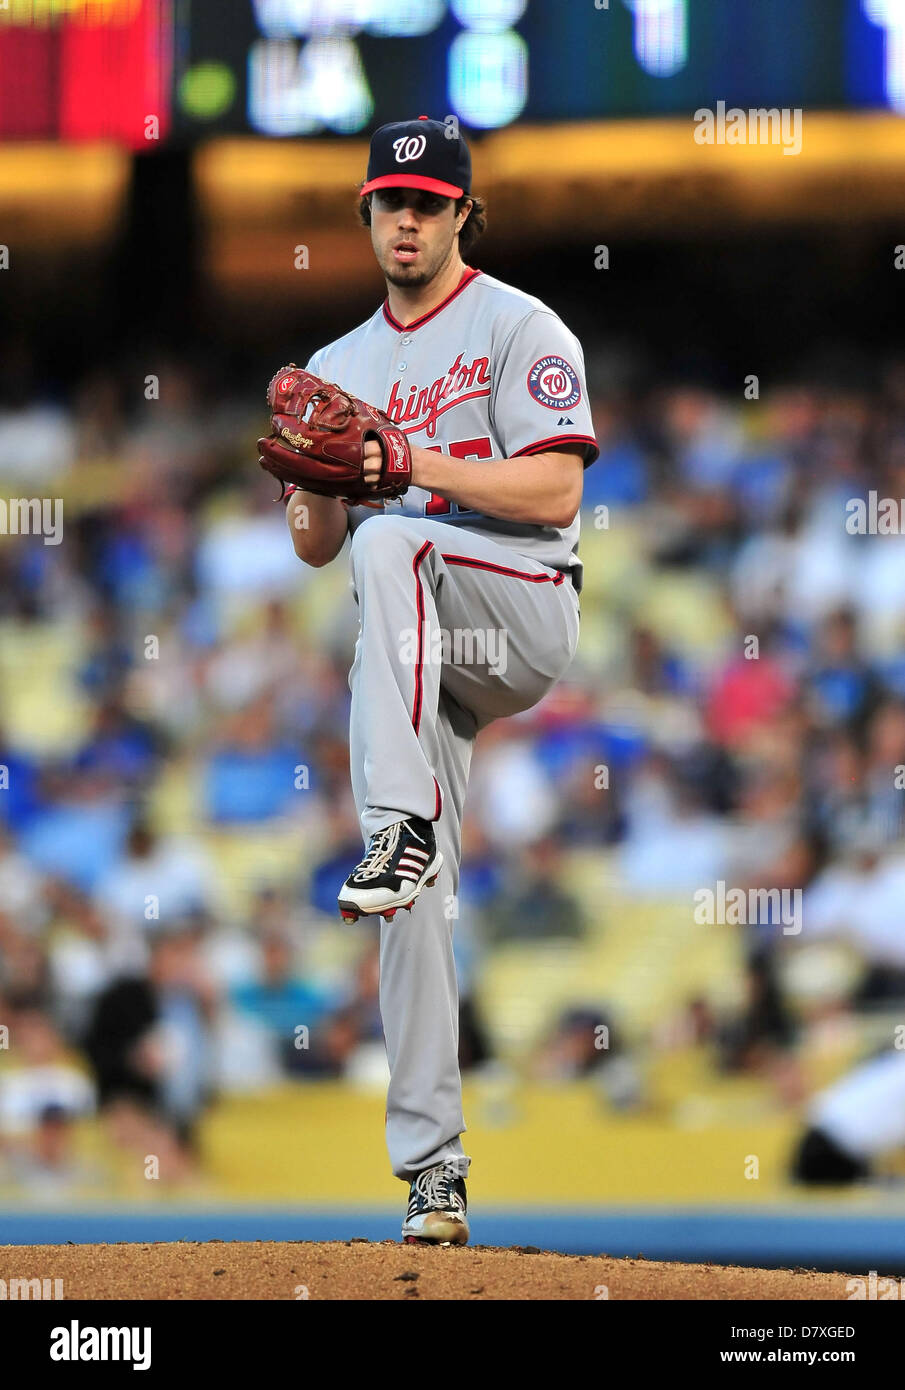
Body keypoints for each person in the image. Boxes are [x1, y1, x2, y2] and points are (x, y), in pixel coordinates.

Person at [283, 117, 597, 1244]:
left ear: (466, 212)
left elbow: (557, 490)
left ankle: (395, 820)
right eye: (388, 201)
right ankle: (432, 1175)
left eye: (428, 201)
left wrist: (404, 467)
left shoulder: (518, 325)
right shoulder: (335, 366)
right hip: (418, 651)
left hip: (517, 610)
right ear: (363, 213)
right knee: (403, 902)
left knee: (390, 543)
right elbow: (316, 543)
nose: (406, 219)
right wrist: (314, 487)